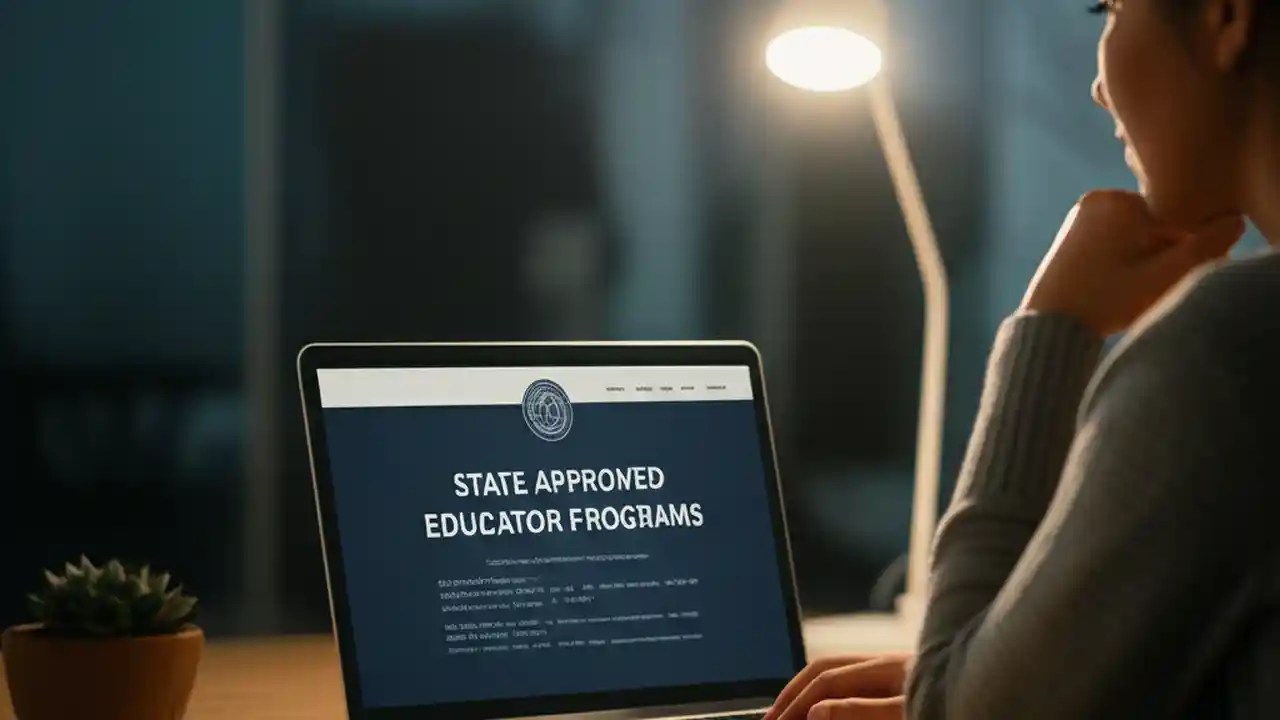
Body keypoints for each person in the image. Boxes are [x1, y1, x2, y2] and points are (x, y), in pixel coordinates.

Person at [764, 0, 1280, 717]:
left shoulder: (1228, 355)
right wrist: (997, 669)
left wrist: (1051, 325)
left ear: (1227, 17)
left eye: (1111, 7)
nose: (1097, 87)